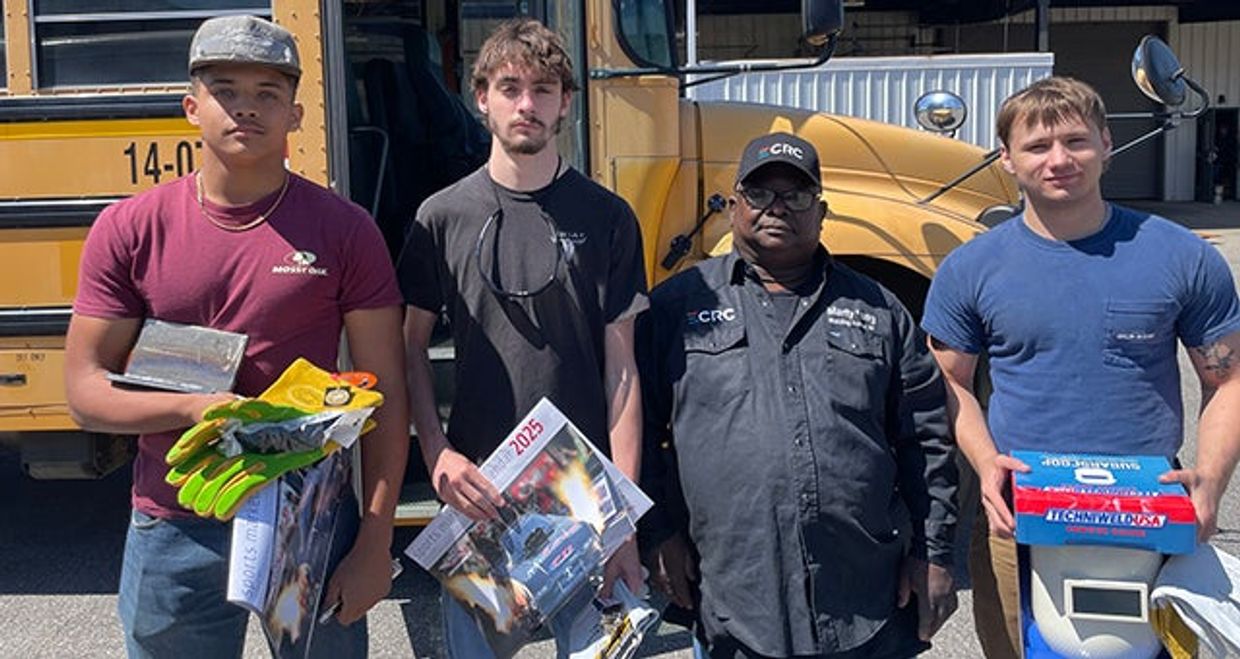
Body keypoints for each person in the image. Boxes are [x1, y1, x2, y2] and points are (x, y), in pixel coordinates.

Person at [63, 15, 409, 658]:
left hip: (309, 517)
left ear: (297, 115)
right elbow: (85, 392)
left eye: (267, 94)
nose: (246, 108)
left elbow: (386, 392)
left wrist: (374, 542)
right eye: (226, 90)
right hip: (175, 522)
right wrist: (197, 408)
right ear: (191, 107)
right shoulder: (131, 229)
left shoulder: (345, 230)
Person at [921, 76, 1240, 659]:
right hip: (1021, 510)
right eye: (1038, 146)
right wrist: (987, 462)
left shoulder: (1180, 255)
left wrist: (1210, 483)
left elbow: (1228, 381)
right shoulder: (970, 269)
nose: (1059, 160)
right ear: (1007, 160)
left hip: (1148, 506)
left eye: (1076, 141)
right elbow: (950, 381)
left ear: (1107, 145)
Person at [638, 132, 959, 658]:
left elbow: (925, 440)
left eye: (798, 194)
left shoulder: (878, 309)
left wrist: (934, 552)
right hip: (734, 603)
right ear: (735, 205)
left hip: (864, 601)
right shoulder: (677, 306)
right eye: (760, 193)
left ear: (823, 210)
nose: (778, 207)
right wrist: (656, 532)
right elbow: (639, 429)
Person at [395, 17, 647, 657]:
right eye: (509, 87)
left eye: (542, 88)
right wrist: (437, 454)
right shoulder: (440, 217)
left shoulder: (608, 216)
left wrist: (622, 522)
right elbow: (408, 348)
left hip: (583, 495)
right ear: (481, 98)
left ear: (567, 101)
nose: (526, 104)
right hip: (478, 492)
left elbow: (622, 369)